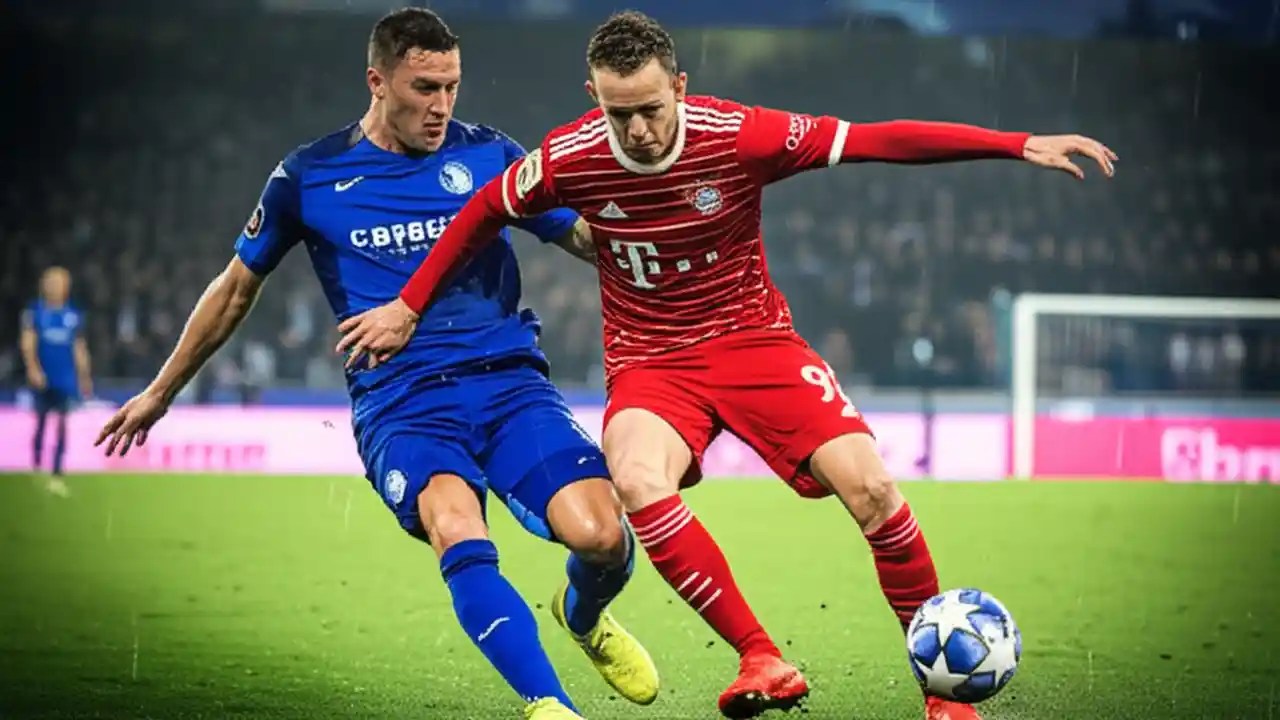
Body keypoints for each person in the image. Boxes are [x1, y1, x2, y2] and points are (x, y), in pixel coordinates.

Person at [334, 10, 1116, 720]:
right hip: (650, 363)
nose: (637, 129)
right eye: (618, 112)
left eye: (650, 108)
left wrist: (1013, 145)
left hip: (755, 345)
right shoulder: (568, 157)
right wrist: (409, 304)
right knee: (636, 480)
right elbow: (485, 209)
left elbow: (876, 139)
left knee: (873, 488)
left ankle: (944, 702)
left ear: (679, 85)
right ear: (593, 97)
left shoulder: (739, 134)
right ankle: (760, 655)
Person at [93, 8, 658, 720]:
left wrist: (654, 226)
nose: (442, 105)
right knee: (457, 528)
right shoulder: (310, 175)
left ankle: (581, 618)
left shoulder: (488, 155)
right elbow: (237, 285)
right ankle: (549, 706)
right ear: (377, 80)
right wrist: (161, 391)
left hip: (510, 384)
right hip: (403, 402)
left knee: (603, 539)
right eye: (424, 87)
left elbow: (578, 236)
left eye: (452, 86)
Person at [21, 266, 92, 496]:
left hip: (66, 379)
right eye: (51, 281)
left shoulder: (73, 315)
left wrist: (84, 377)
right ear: (44, 284)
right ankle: (36, 468)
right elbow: (28, 342)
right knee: (41, 422)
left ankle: (57, 473)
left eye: (60, 282)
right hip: (44, 378)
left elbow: (79, 348)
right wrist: (33, 368)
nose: (55, 286)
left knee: (62, 425)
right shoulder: (35, 312)